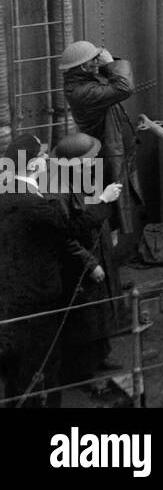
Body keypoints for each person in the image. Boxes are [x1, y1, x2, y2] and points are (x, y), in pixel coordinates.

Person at [0, 136, 103, 407]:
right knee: (42, 371)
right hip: (37, 305)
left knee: (17, 374)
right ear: (33, 166)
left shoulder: (7, 195)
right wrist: (102, 201)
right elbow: (72, 230)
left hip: (10, 302)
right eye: (43, 156)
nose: (47, 160)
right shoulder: (37, 206)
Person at [50, 133, 123, 387]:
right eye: (88, 159)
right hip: (82, 264)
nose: (93, 162)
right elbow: (67, 236)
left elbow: (92, 216)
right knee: (83, 319)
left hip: (98, 251)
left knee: (100, 311)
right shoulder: (59, 191)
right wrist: (90, 265)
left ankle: (100, 357)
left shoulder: (81, 179)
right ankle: (81, 374)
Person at [60, 41, 134, 232]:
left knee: (114, 203)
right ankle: (109, 251)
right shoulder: (82, 92)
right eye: (94, 60)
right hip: (106, 154)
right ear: (84, 66)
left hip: (106, 151)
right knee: (112, 206)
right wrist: (110, 64)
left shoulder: (81, 82)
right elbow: (124, 88)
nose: (97, 62)